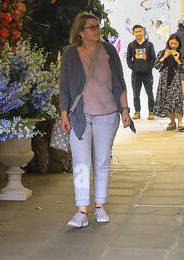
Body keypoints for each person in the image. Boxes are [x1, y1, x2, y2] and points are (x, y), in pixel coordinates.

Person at [58, 12, 131, 228]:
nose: (97, 30)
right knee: (81, 164)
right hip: (79, 116)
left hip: (107, 114)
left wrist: (125, 109)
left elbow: (120, 81)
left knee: (102, 161)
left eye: (97, 26)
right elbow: (64, 86)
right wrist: (64, 113)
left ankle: (100, 206)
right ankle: (81, 210)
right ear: (80, 32)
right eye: (91, 27)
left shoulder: (108, 51)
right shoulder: (70, 54)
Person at [124, 24, 155, 120]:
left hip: (147, 74)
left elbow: (153, 58)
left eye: (140, 31)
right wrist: (133, 67)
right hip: (136, 74)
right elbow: (128, 59)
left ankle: (151, 111)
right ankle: (137, 111)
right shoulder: (131, 45)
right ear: (133, 33)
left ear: (143, 32)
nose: (138, 33)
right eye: (136, 32)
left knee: (150, 93)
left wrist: (148, 67)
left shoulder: (149, 45)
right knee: (136, 94)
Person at [156, 35, 184, 131]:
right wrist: (164, 57)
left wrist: (177, 60)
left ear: (179, 44)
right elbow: (156, 66)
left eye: (175, 43)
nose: (173, 45)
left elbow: (183, 70)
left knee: (177, 100)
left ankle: (180, 122)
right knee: (167, 101)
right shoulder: (162, 53)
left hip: (176, 80)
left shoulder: (182, 55)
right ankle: (172, 122)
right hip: (164, 81)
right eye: (171, 43)